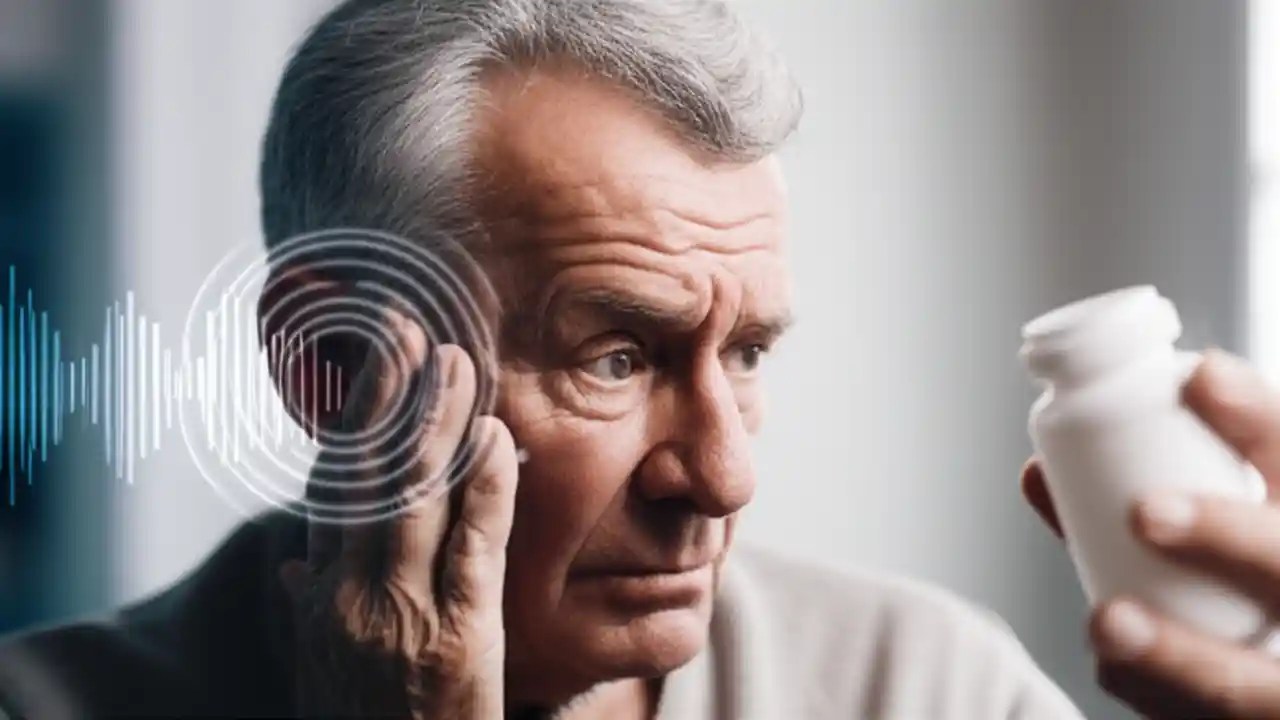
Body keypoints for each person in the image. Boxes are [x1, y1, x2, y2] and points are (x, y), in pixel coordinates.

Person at [0, 1, 1275, 718]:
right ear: (329, 364)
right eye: (616, 355)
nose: (720, 479)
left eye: (751, 351)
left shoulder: (923, 685)